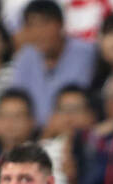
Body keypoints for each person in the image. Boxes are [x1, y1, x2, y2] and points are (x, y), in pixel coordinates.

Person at [9, 0, 96, 128]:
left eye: (44, 24)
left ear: (60, 24)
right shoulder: (25, 58)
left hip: (75, 129)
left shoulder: (86, 53)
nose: (39, 32)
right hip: (34, 132)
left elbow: (82, 99)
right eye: (32, 25)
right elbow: (17, 100)